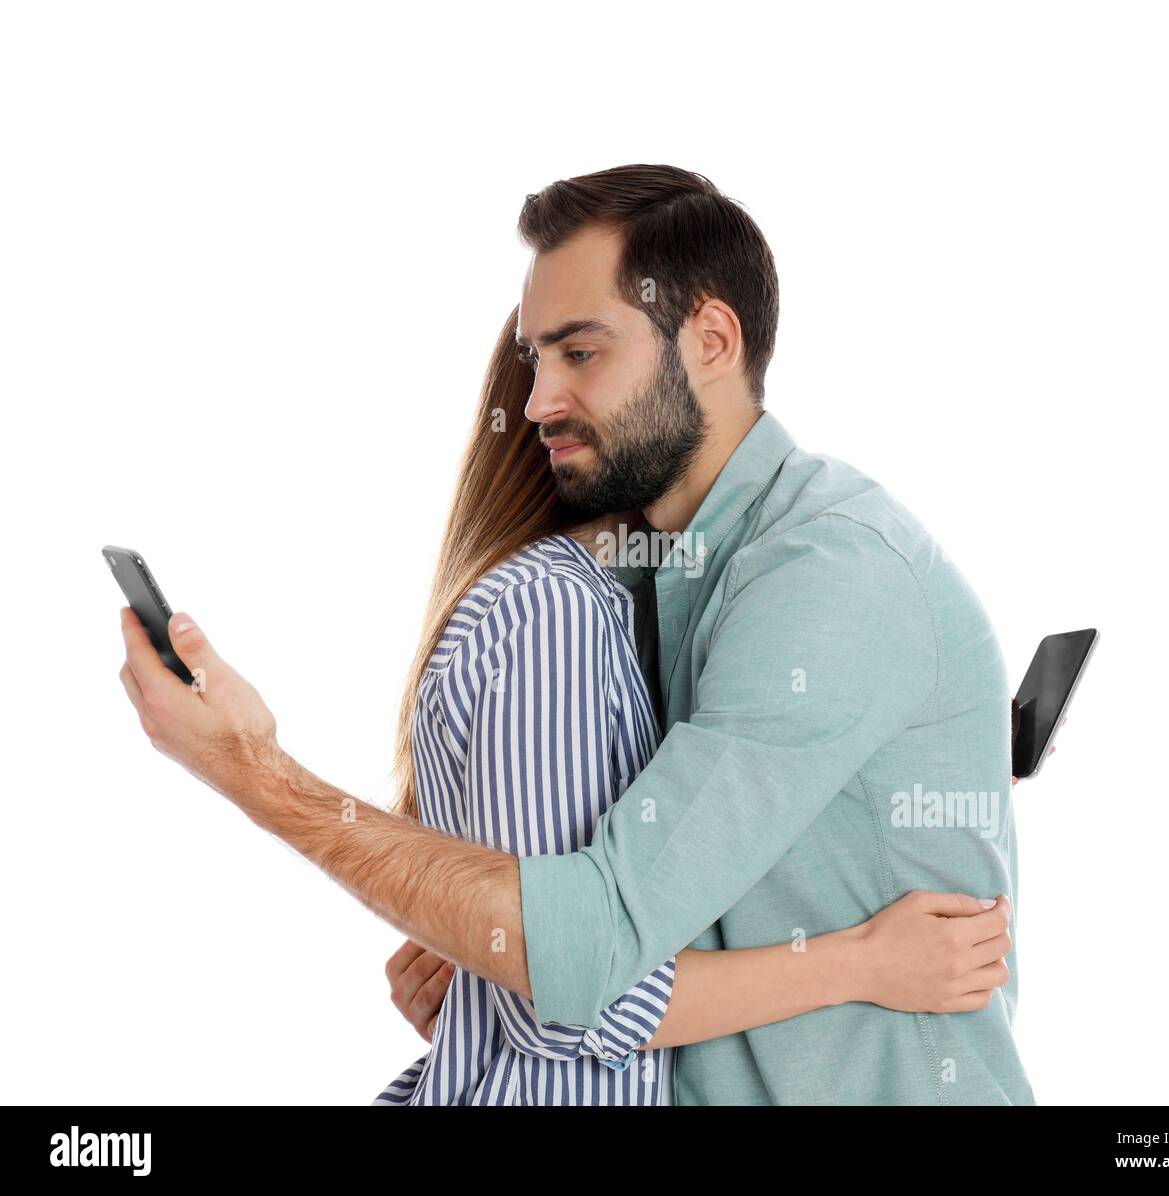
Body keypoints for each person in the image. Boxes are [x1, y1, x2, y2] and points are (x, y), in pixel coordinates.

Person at [116, 163, 1032, 1105]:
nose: (540, 401)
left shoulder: (828, 573)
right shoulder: (659, 578)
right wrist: (480, 966)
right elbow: (583, 953)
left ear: (712, 340)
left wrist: (252, 772)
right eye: (535, 358)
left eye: (581, 353)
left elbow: (586, 948)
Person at [368, 308, 1015, 1105]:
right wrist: (861, 962)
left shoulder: (641, 603)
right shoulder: (552, 609)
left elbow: (672, 849)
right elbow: (565, 998)